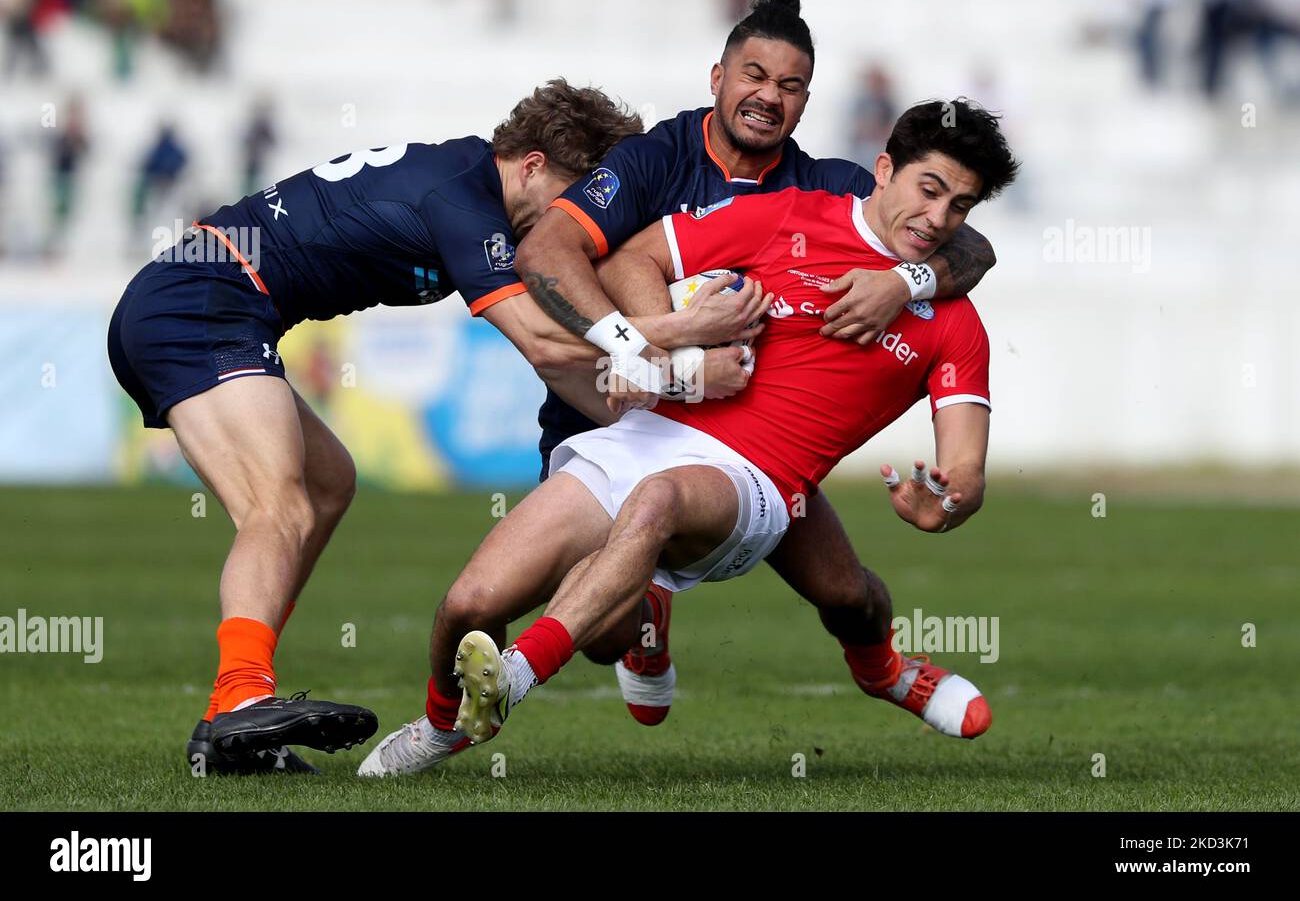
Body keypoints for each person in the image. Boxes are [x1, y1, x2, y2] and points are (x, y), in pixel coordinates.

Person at [107, 79, 752, 776]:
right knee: (278, 505)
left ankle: (233, 718)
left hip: (217, 302)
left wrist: (673, 418)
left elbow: (572, 368)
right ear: (531, 165)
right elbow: (544, 343)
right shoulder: (465, 198)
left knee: (327, 485)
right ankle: (239, 701)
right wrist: (681, 332)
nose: (569, 222)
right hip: (199, 302)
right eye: (567, 197)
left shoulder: (466, 191)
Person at [359, 97, 1019, 777]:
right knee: (469, 606)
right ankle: (443, 726)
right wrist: (674, 354)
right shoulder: (788, 213)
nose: (938, 218)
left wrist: (947, 499)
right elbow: (625, 262)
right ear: (883, 170)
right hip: (644, 434)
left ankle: (513, 679)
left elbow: (964, 467)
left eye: (959, 206)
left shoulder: (954, 324)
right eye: (929, 189)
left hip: (756, 482)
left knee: (671, 509)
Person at [509, 0, 1001, 729]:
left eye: (790, 85)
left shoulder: (823, 190)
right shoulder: (654, 162)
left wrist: (903, 280)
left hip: (754, 441)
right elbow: (551, 250)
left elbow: (970, 242)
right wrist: (665, 349)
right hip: (620, 408)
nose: (768, 96)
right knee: (604, 634)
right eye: (754, 75)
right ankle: (642, 626)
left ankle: (886, 669)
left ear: (806, 101)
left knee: (848, 594)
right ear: (717, 76)